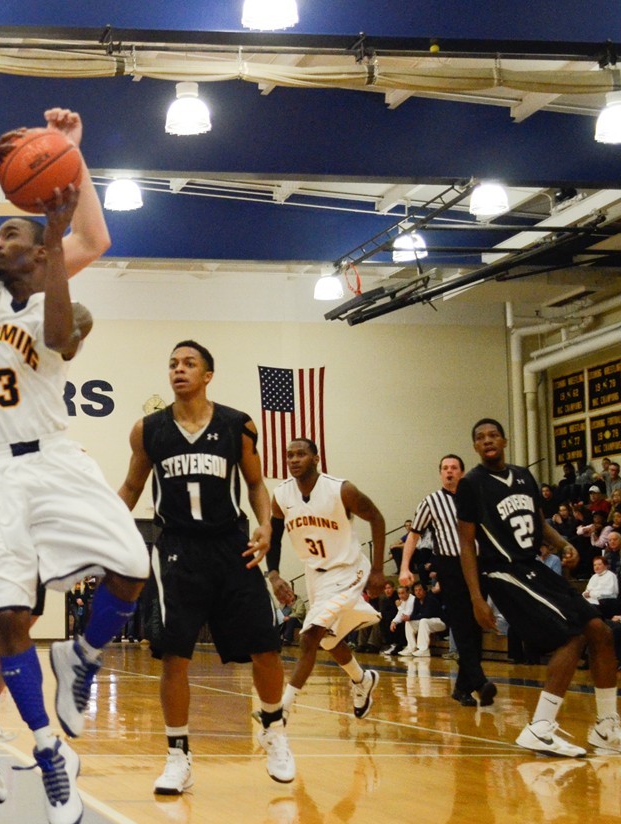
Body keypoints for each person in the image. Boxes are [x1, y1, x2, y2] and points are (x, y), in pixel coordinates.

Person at [0, 126, 146, 824]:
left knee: (133, 566)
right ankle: (47, 748)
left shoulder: (63, 305)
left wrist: (55, 227)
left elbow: (56, 334)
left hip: (53, 456)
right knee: (8, 618)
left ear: (41, 249)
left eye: (10, 232)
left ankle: (79, 657)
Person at [119, 340, 293, 797]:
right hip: (177, 550)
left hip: (231, 547)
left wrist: (264, 526)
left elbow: (257, 484)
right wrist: (103, 528)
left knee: (265, 647)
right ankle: (178, 757)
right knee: (174, 655)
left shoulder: (237, 425)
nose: (178, 369)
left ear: (208, 375)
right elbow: (132, 487)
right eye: (173, 362)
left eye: (189, 363)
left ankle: (274, 729)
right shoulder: (148, 429)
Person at [456, 418, 619, 757]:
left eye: (492, 435)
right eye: (480, 437)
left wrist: (563, 545)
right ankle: (540, 727)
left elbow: (540, 523)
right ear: (475, 447)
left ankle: (607, 726)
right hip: (503, 572)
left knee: (599, 631)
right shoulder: (472, 484)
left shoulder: (524, 476)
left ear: (504, 440)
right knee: (570, 635)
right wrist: (475, 596)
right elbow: (467, 543)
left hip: (534, 566)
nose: (487, 441)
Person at [266, 439, 385, 718]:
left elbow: (377, 518)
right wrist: (273, 574)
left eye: (301, 454)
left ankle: (281, 710)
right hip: (315, 574)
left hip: (347, 570)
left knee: (309, 636)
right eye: (289, 455)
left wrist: (378, 570)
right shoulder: (281, 495)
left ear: (316, 458)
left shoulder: (341, 490)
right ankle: (361, 680)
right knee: (328, 640)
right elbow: (274, 537)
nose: (294, 459)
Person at [399, 453, 496, 707]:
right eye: (445, 468)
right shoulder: (431, 501)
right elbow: (414, 535)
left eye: (454, 467)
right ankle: (479, 681)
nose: (449, 471)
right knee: (462, 622)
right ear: (440, 473)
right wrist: (404, 566)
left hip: (477, 564)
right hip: (450, 565)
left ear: (462, 472)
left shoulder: (474, 497)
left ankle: (462, 687)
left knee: (476, 623)